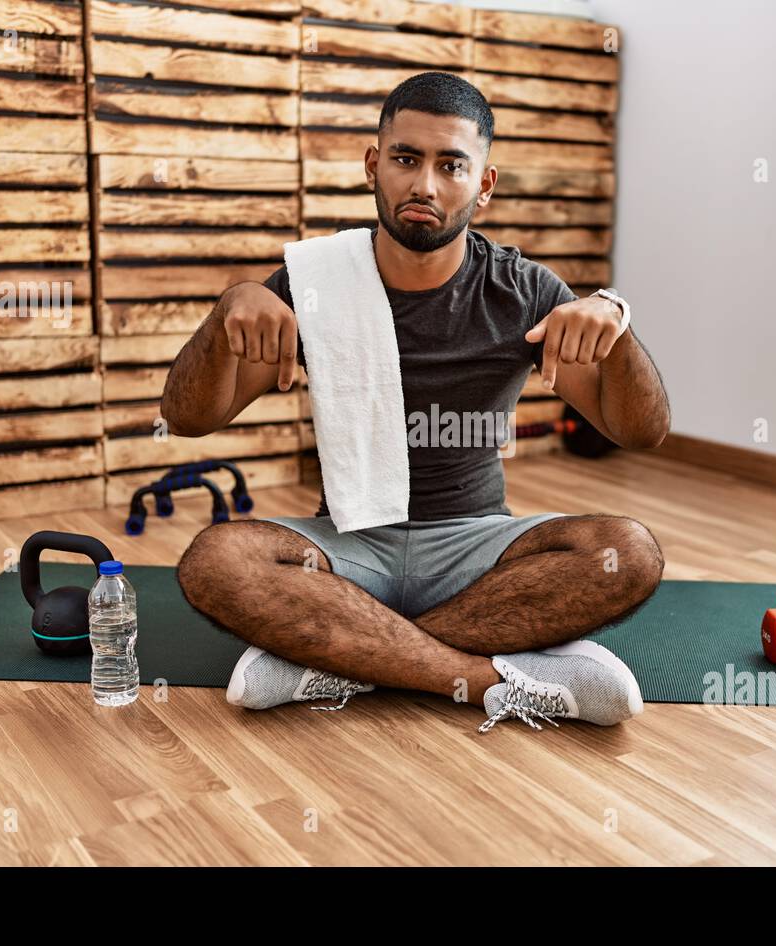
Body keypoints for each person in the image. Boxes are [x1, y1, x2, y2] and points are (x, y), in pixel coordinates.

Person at [162, 72, 670, 733]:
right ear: (374, 166)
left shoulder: (521, 291)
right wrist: (229, 305)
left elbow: (641, 432)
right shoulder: (314, 283)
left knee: (626, 552)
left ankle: (340, 654)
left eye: (451, 165)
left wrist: (617, 323)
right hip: (347, 543)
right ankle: (490, 680)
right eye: (406, 159)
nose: (424, 185)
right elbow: (188, 418)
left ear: (483, 185)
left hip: (475, 544)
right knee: (217, 562)